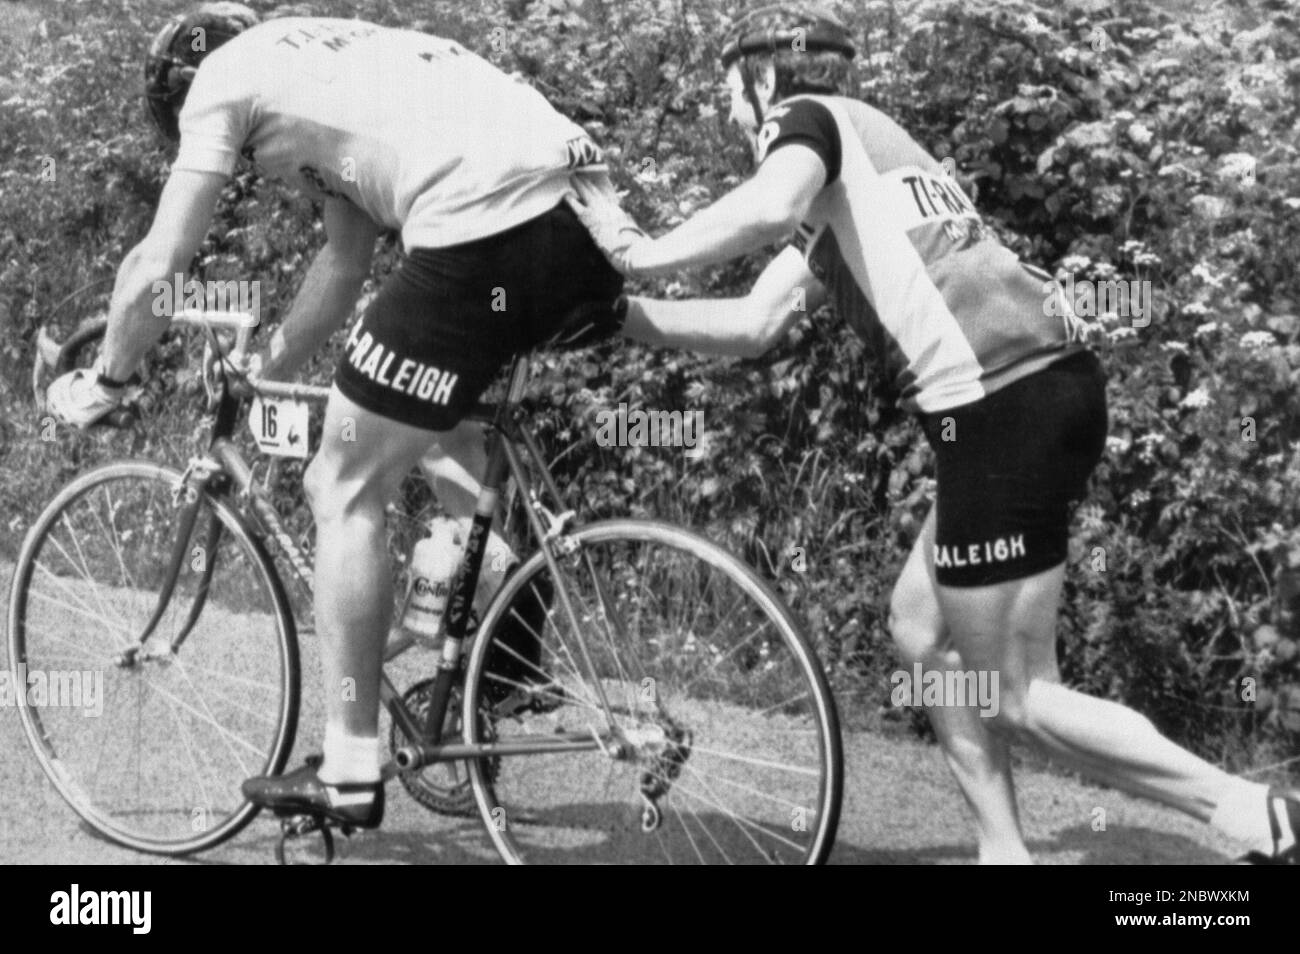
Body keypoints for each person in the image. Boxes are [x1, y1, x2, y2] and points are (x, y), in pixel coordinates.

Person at [567, 2, 1300, 864]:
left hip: (999, 402)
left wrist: (635, 250)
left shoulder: (805, 126)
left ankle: (1247, 810)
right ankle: (1002, 849)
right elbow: (755, 322)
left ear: (765, 78)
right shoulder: (862, 165)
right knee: (922, 632)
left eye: (732, 93)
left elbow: (765, 207)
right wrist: (611, 312)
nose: (732, 115)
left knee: (1020, 694)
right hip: (1032, 392)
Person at [46, 4, 625, 830]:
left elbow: (156, 266)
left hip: (487, 222)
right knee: (433, 432)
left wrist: (106, 379)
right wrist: (267, 367)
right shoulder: (324, 66)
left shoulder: (218, 80)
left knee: (342, 482)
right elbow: (345, 260)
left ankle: (350, 770)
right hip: (583, 225)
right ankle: (506, 654)